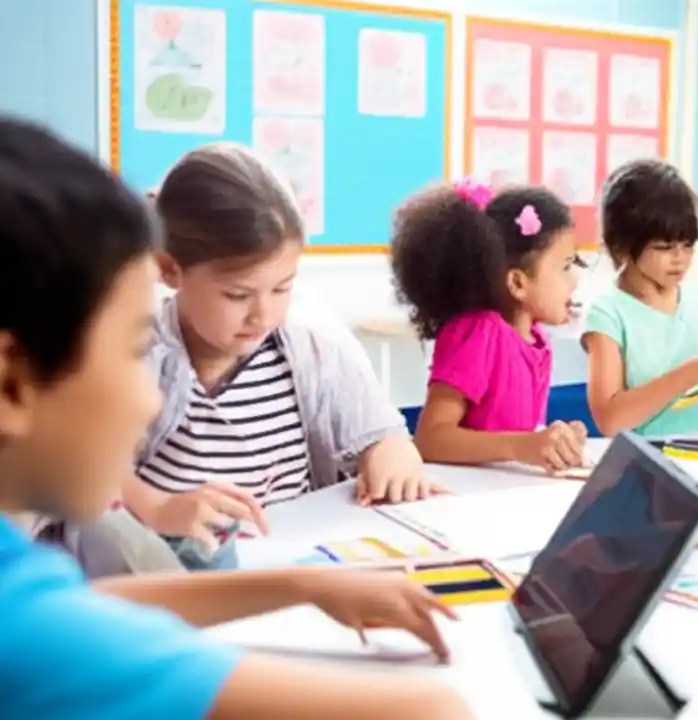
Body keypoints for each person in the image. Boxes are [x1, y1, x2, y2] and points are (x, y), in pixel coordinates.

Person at [0, 116, 469, 718]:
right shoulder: (27, 637)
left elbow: (93, 603)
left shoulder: (23, 588)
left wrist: (303, 585)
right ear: (12, 382)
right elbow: (430, 712)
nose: (148, 400)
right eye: (128, 347)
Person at [125, 143, 435, 565]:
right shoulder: (134, 356)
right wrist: (155, 507)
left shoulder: (314, 342)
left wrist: (388, 452)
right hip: (175, 578)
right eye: (237, 294)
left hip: (289, 567)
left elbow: (385, 435)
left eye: (282, 287)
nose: (263, 313)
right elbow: (81, 473)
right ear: (169, 269)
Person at [390, 179, 588, 472]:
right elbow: (430, 439)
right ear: (518, 283)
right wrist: (522, 445)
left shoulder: (537, 340)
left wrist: (555, 441)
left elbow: (512, 430)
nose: (575, 279)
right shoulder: (479, 332)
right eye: (565, 266)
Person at [582, 160, 698, 436]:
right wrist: (690, 373)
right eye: (664, 247)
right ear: (622, 245)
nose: (680, 259)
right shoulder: (608, 313)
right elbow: (610, 421)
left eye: (688, 246)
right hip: (647, 465)